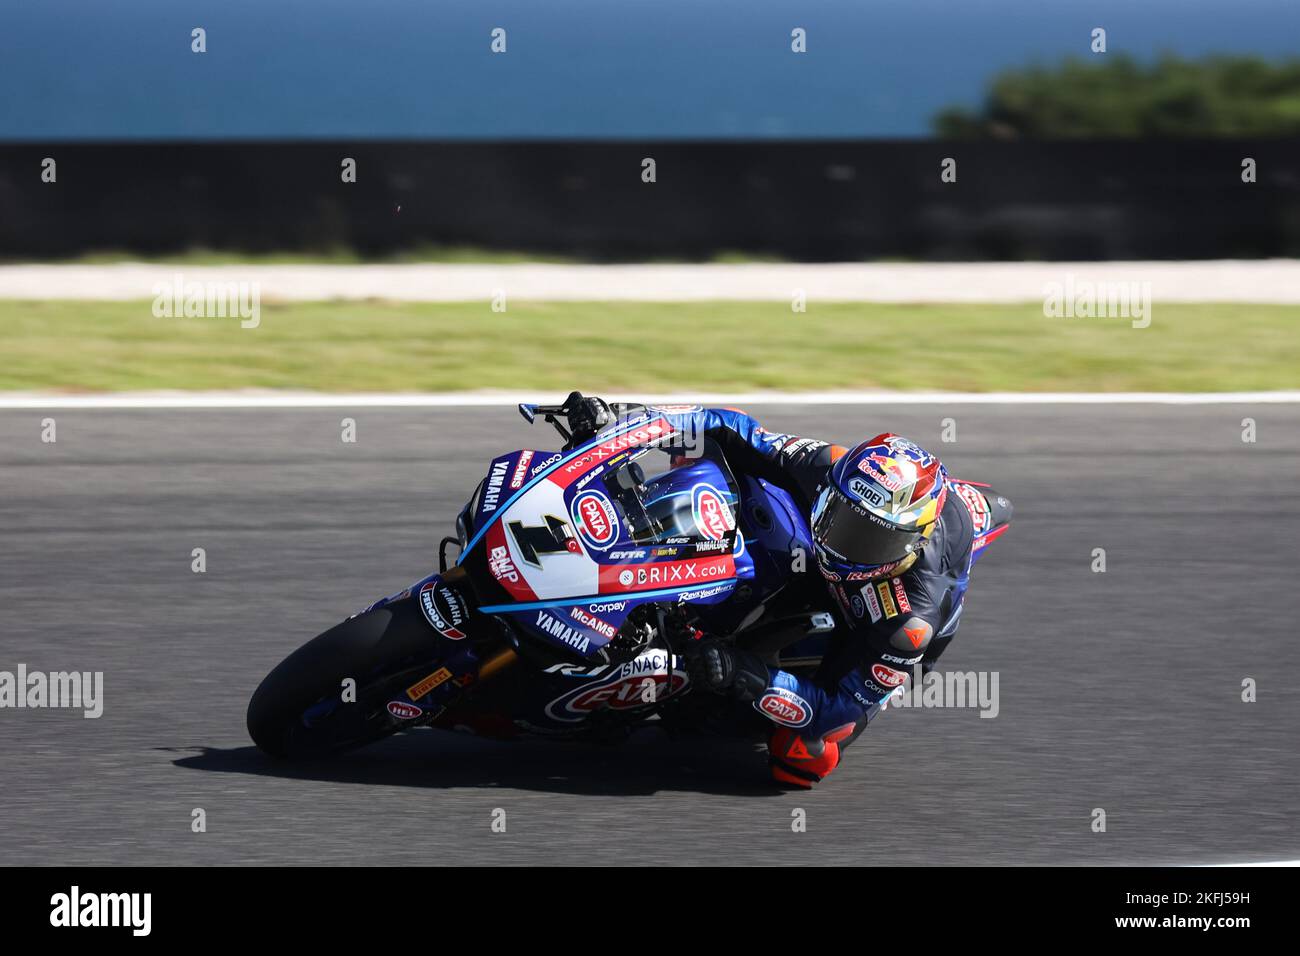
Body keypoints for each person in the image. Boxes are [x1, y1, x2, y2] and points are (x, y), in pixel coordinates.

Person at [566, 393, 1012, 788]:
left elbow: (833, 709)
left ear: (911, 543)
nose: (844, 544)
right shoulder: (829, 465)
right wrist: (623, 424)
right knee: (722, 447)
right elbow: (731, 425)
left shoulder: (910, 622)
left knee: (802, 756)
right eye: (841, 518)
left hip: (868, 634)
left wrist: (746, 675)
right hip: (819, 553)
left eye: (870, 540)